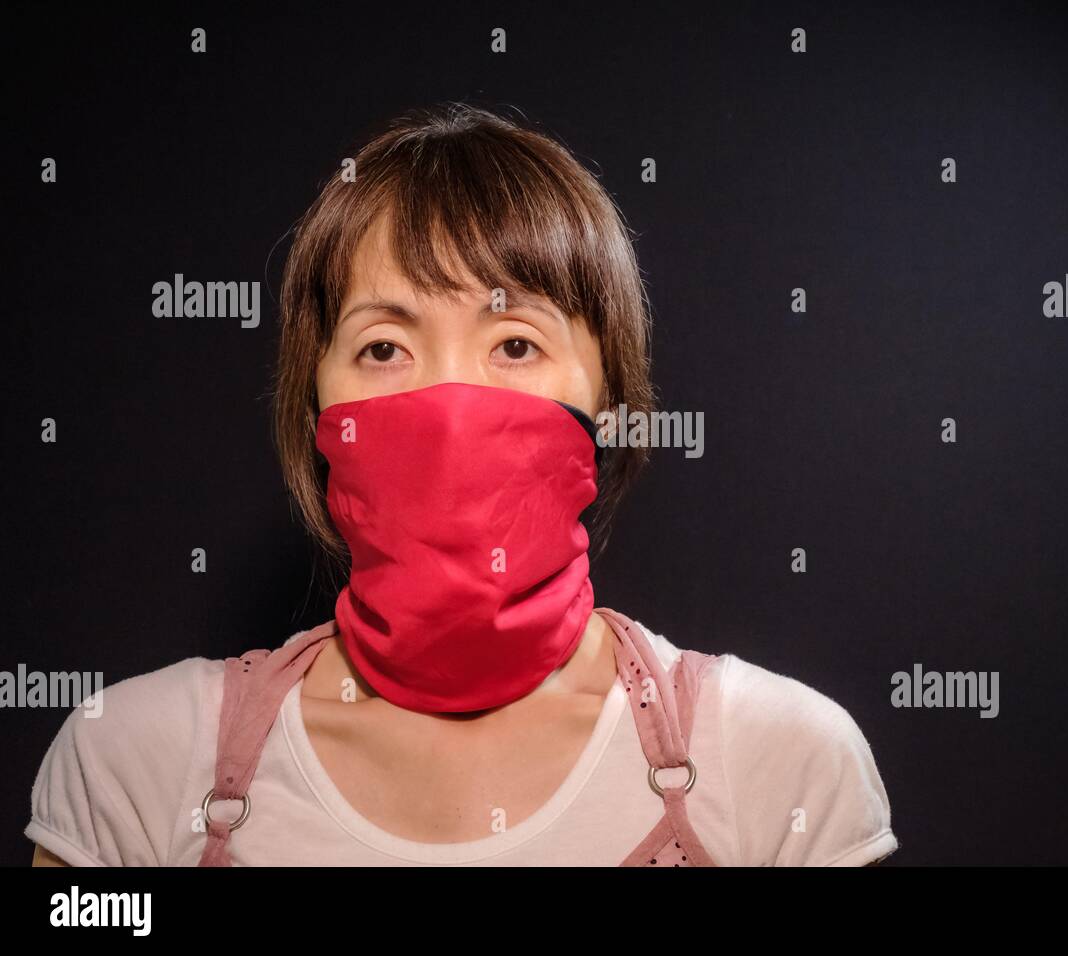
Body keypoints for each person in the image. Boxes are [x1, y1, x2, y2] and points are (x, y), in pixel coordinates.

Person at [26, 104, 898, 866]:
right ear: (315, 409)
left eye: (515, 344)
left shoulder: (782, 763)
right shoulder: (130, 765)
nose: (448, 406)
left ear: (610, 401)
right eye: (383, 348)